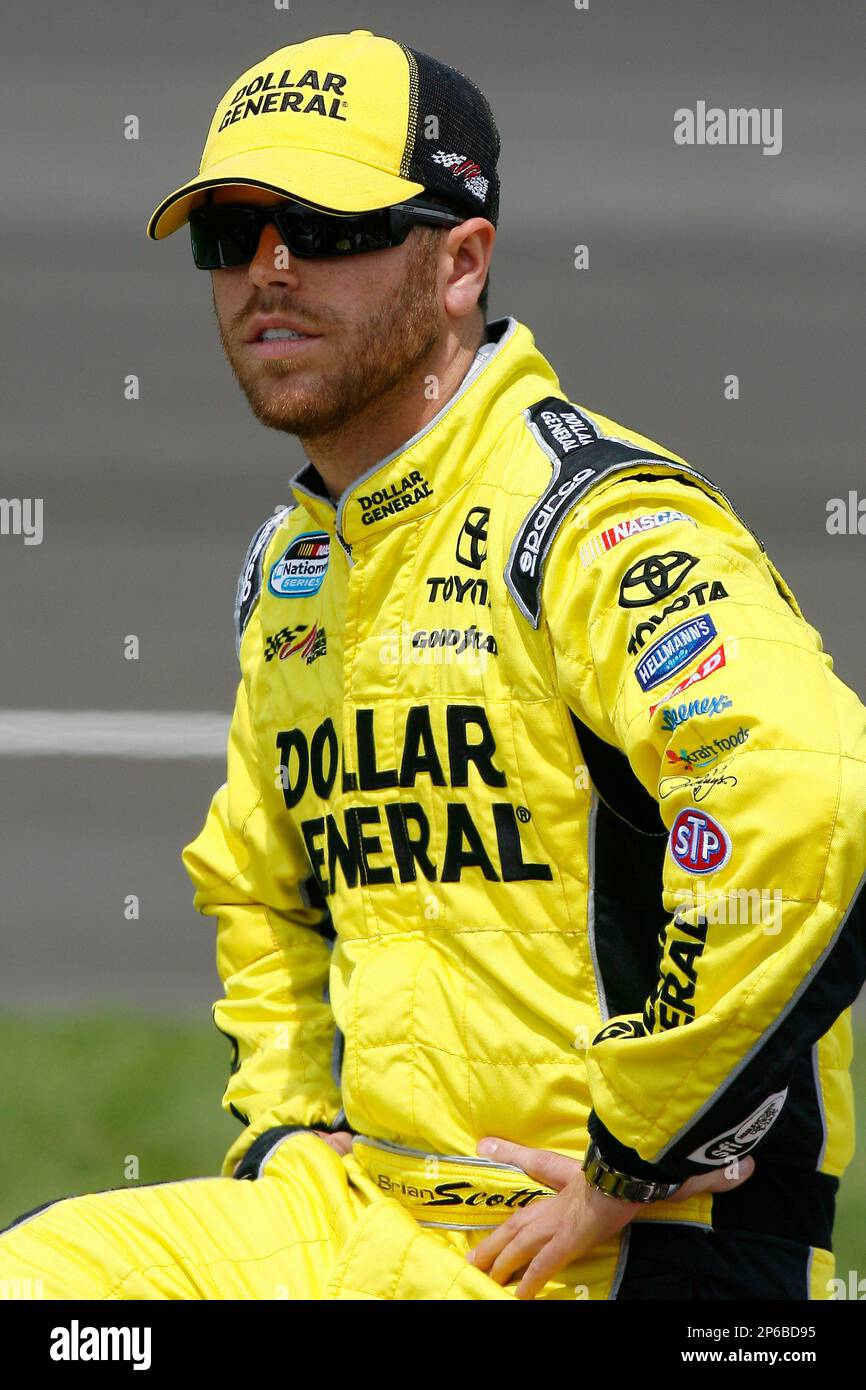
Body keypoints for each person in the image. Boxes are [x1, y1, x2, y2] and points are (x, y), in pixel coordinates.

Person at [1, 27, 864, 1302]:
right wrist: (283, 1131)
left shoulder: (589, 521)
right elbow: (257, 885)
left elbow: (800, 800)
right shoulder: (295, 561)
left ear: (461, 260)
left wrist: (640, 1147)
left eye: (324, 229)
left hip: (607, 1248)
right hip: (358, 1217)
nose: (267, 273)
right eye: (228, 236)